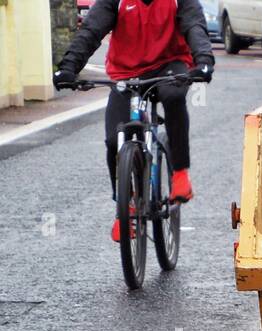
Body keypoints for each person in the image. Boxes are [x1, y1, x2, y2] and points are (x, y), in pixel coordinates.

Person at [53, 0, 214, 241]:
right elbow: (91, 30)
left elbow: (194, 26)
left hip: (169, 66)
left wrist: (203, 61)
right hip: (125, 74)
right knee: (113, 139)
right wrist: (68, 68)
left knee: (173, 98)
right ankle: (124, 206)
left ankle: (180, 174)